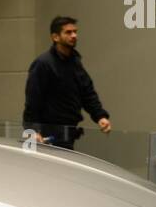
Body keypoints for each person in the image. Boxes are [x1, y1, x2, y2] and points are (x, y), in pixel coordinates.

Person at [23, 16, 111, 150]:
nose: (74, 35)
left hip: (68, 132)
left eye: (75, 31)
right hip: (47, 135)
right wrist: (33, 130)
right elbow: (33, 100)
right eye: (68, 32)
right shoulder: (43, 64)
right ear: (55, 37)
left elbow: (87, 92)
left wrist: (100, 116)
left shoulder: (74, 62)